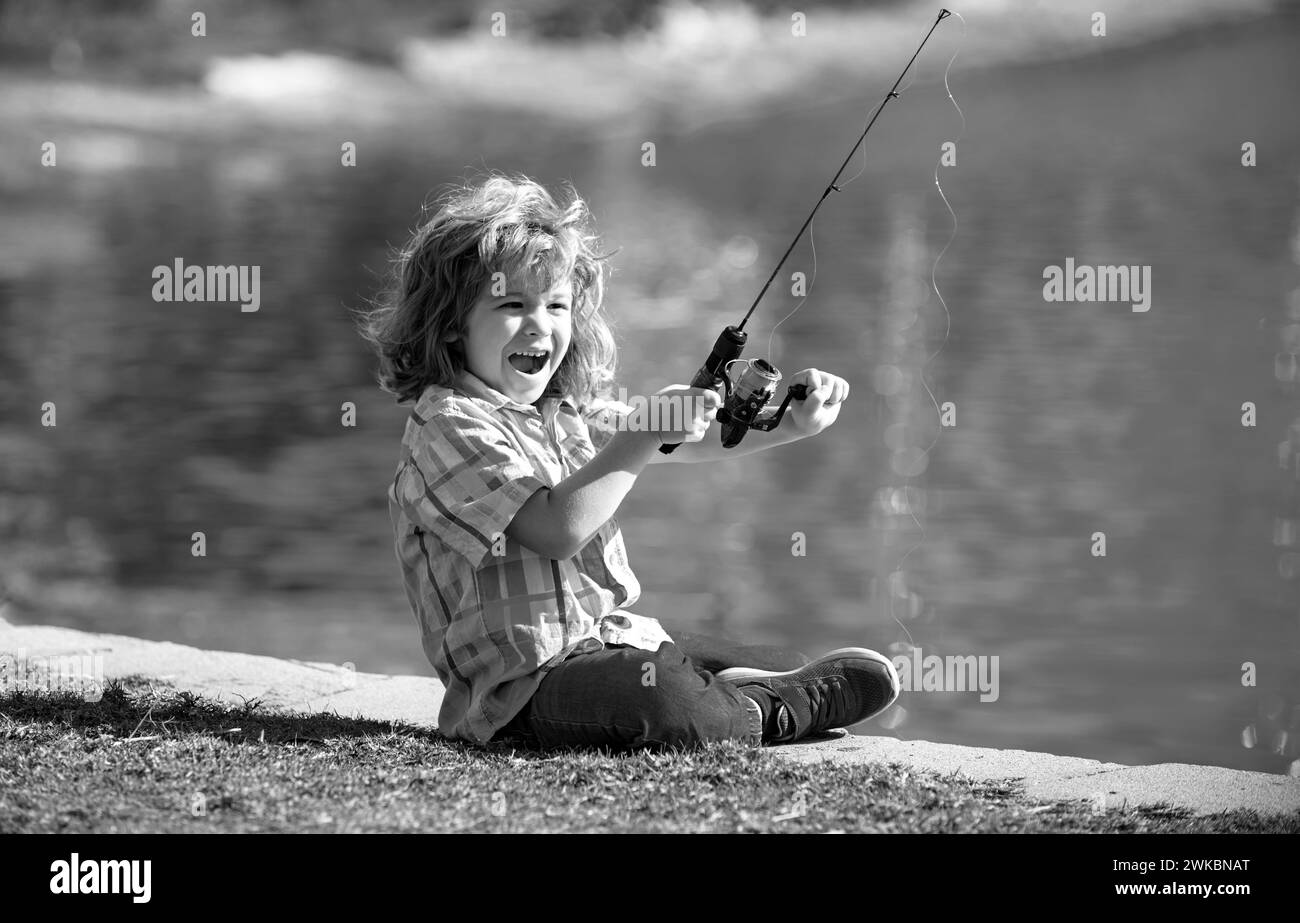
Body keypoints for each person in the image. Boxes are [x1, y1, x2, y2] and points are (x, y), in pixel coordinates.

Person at [357, 172, 899, 750]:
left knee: (776, 657)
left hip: (599, 641)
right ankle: (763, 711)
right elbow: (554, 527)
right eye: (512, 304)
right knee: (666, 694)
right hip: (520, 692)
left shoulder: (559, 411)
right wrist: (641, 434)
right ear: (449, 324)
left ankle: (750, 692)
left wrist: (788, 424)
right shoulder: (450, 424)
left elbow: (685, 442)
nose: (540, 323)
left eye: (557, 305)